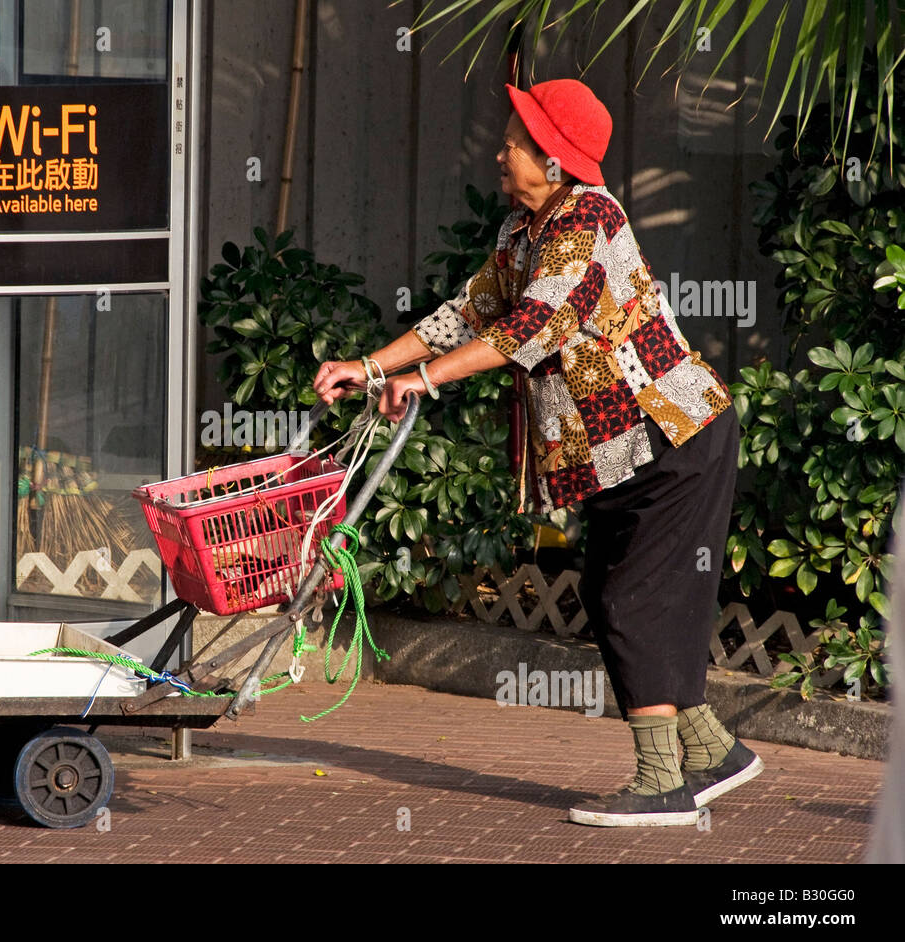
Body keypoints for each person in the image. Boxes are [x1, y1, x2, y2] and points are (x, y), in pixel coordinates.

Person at [314, 78, 762, 827]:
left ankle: (662, 781)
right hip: (621, 454)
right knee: (612, 592)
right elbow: (467, 314)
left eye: (515, 143)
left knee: (634, 599)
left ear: (553, 162)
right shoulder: (521, 233)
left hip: (671, 439)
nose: (500, 152)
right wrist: (372, 367)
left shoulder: (589, 221)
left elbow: (532, 327)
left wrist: (421, 381)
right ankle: (711, 751)